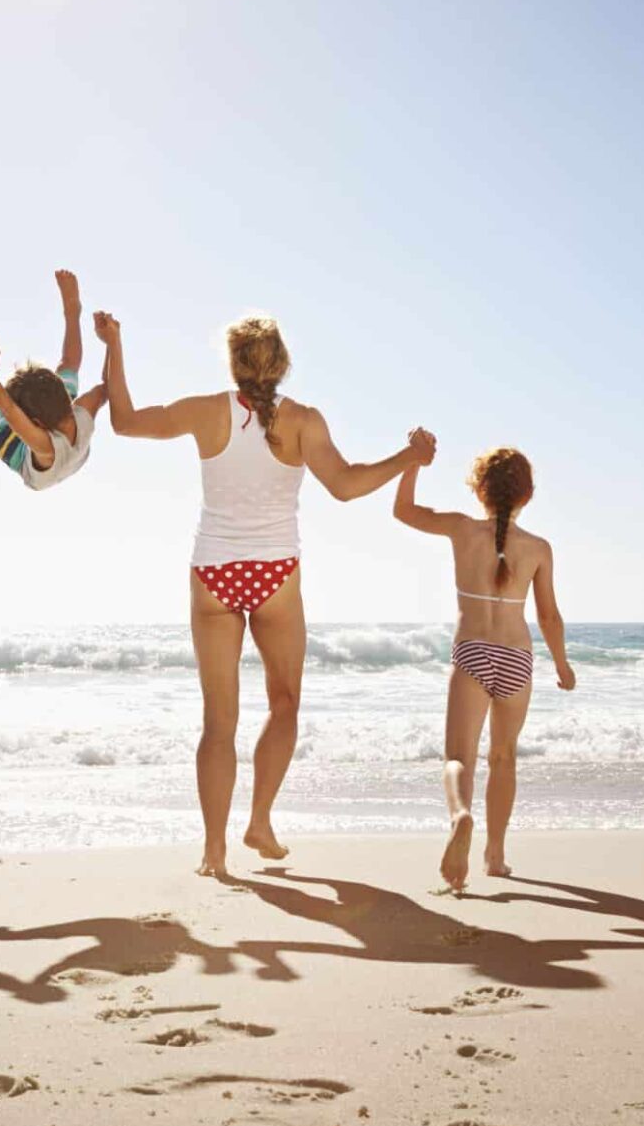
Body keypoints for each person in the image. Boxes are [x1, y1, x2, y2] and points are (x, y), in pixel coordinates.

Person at [96, 308, 434, 878]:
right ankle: (258, 820)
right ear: (281, 364)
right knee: (284, 704)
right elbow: (348, 487)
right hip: (275, 575)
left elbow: (124, 422)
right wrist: (409, 458)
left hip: (213, 575)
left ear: (234, 363)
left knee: (218, 722)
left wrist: (114, 344)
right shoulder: (304, 420)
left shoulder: (207, 412)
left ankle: (214, 851)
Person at [392, 445, 576, 890]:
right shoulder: (538, 549)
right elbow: (548, 616)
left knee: (459, 757)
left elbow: (404, 511)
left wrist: (414, 461)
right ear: (527, 495)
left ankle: (461, 815)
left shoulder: (460, 529)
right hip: (517, 658)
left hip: (473, 652)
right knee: (504, 758)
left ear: (478, 491)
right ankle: (495, 855)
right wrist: (563, 664)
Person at [0, 268, 107, 491]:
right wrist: (112, 341)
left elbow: (8, 409)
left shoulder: (45, 448)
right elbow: (109, 386)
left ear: (36, 423)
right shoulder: (84, 408)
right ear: (66, 396)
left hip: (30, 459)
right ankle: (72, 311)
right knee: (69, 364)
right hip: (70, 439)